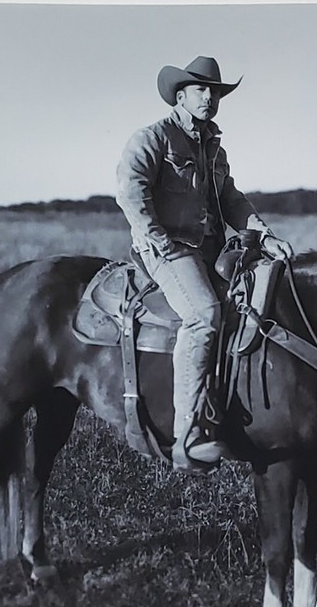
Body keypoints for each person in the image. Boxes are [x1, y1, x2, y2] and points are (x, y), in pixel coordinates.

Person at [115, 56, 293, 470]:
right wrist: (155, 239)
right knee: (203, 315)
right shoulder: (153, 138)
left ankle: (226, 413)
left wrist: (264, 234)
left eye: (216, 92)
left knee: (252, 306)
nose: (210, 98)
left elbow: (230, 198)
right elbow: (131, 190)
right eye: (202, 90)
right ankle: (187, 433)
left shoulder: (213, 146)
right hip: (166, 248)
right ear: (181, 96)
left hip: (209, 249)